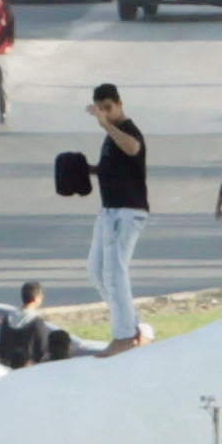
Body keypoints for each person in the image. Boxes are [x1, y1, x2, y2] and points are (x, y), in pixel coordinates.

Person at [85, 85, 155, 348]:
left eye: (109, 108)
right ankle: (133, 325)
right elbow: (111, 169)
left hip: (128, 211)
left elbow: (133, 147)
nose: (105, 113)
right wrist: (85, 170)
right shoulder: (111, 137)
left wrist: (105, 125)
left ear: (119, 104)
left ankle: (124, 336)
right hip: (109, 211)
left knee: (115, 272)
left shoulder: (127, 130)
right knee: (96, 270)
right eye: (100, 109)